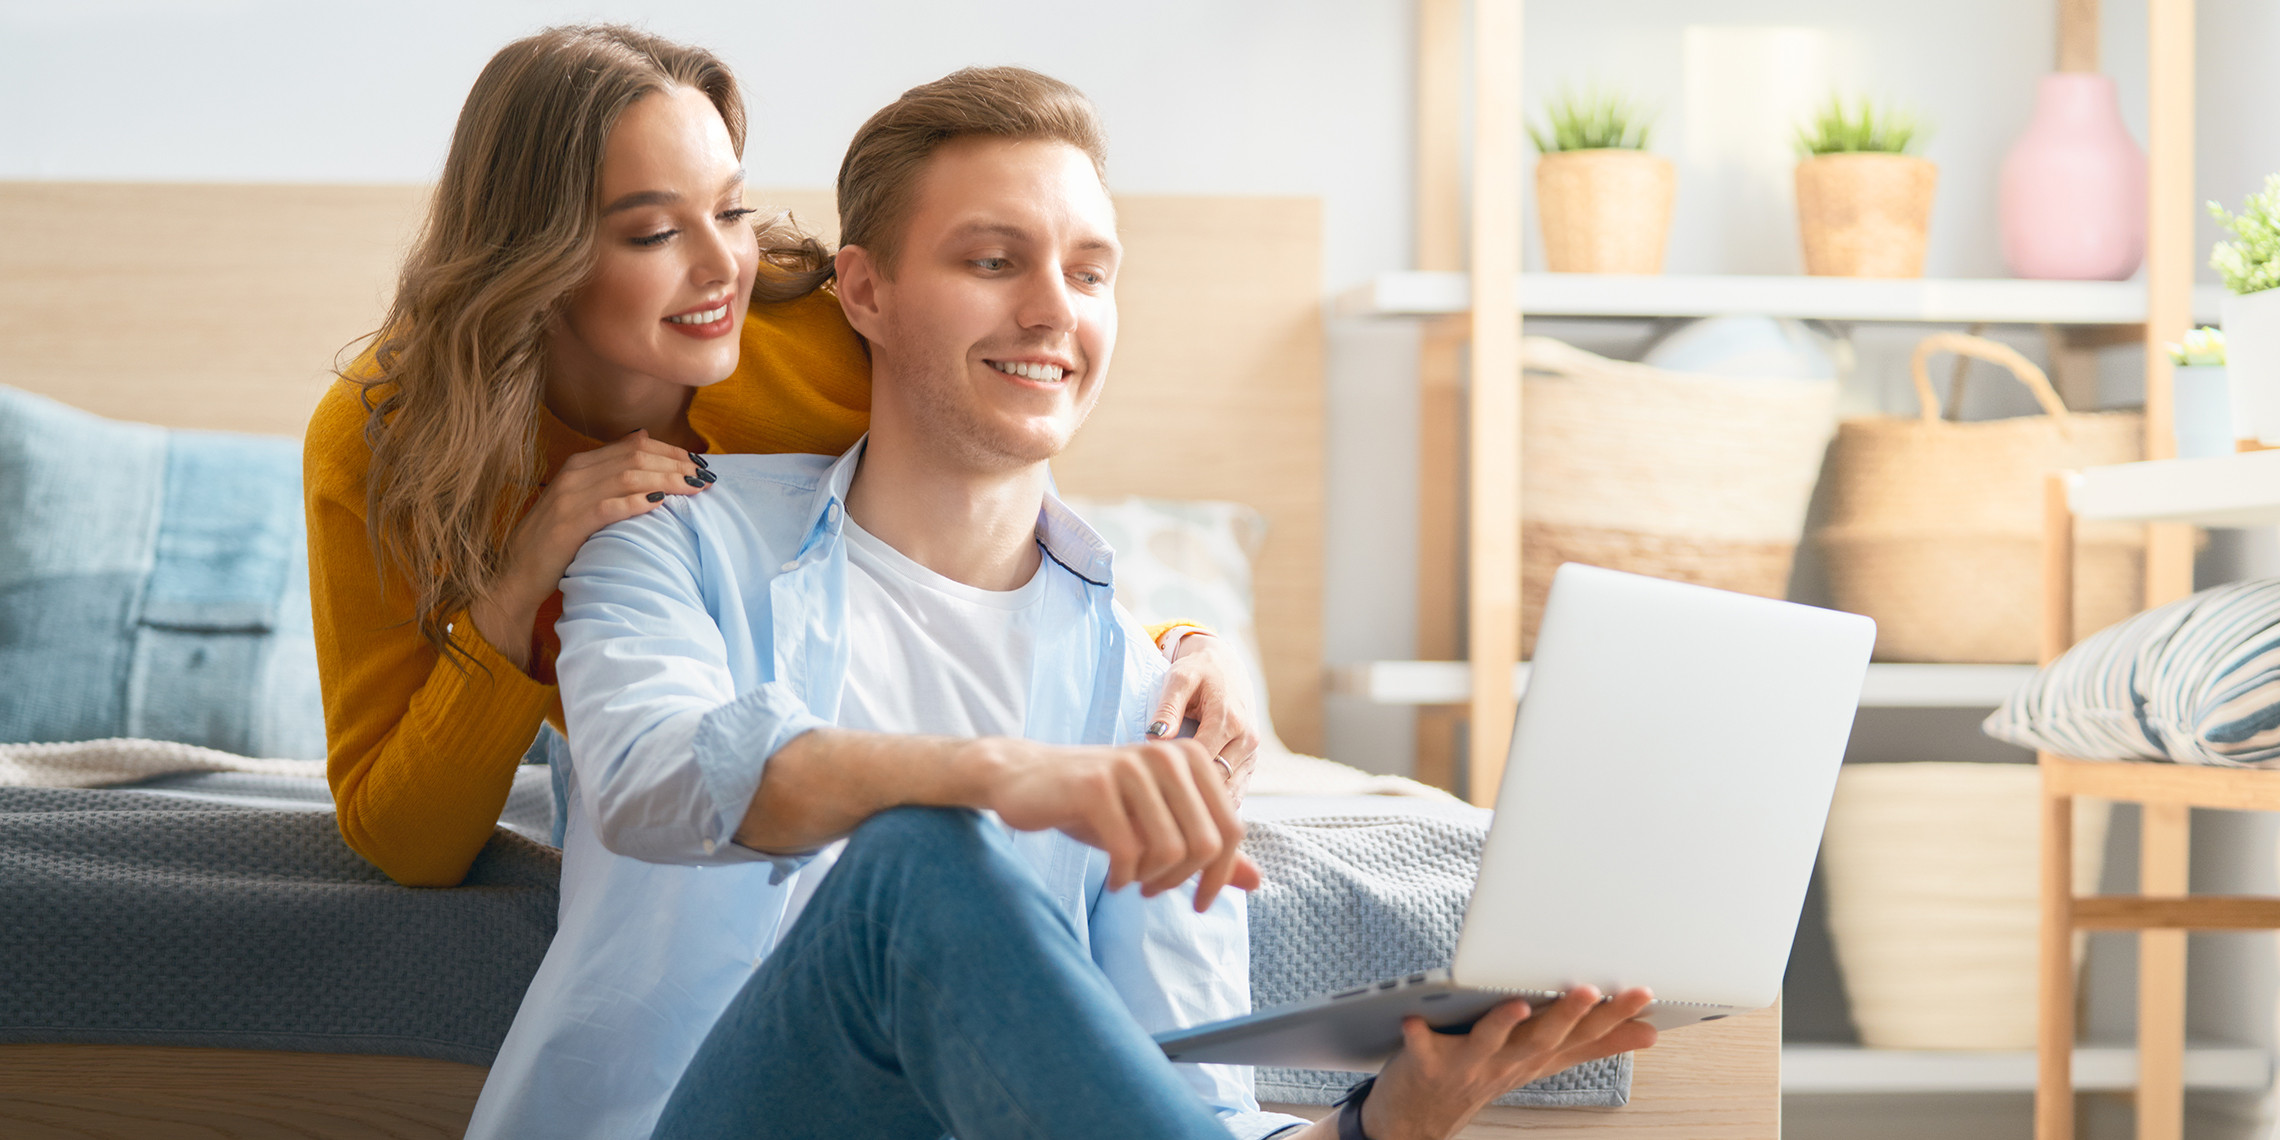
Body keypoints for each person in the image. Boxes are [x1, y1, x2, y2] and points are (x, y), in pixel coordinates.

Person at [482, 66, 1656, 1140]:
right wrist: (1007, 775)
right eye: (994, 263)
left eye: (1089, 272)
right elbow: (651, 775)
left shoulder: (1149, 701)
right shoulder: (668, 531)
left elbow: (1183, 1111)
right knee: (921, 865)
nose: (1055, 310)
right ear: (866, 291)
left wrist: (1385, 1121)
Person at [301, 24, 1261, 887]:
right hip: (650, 766)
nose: (724, 269)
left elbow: (1000, 537)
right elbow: (402, 840)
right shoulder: (387, 444)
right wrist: (517, 586)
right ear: (533, 255)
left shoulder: (825, 339)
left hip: (864, 747)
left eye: (730, 212)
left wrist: (1174, 647)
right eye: (653, 232)